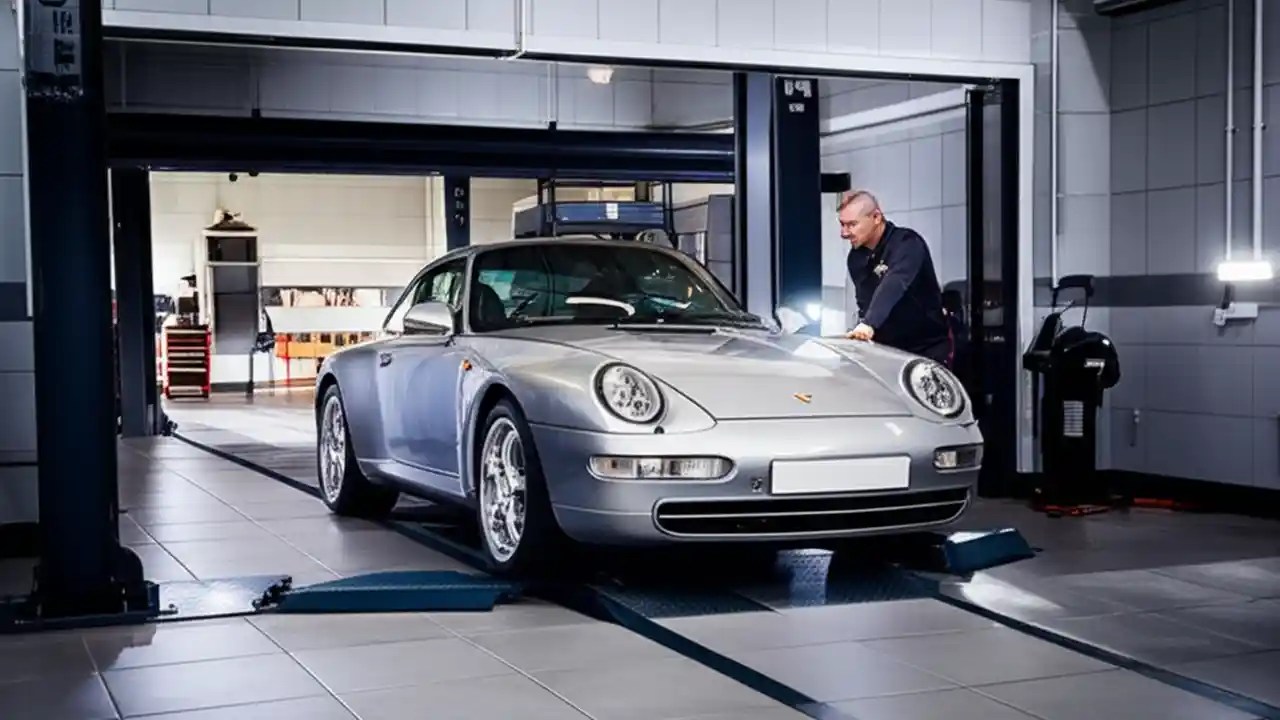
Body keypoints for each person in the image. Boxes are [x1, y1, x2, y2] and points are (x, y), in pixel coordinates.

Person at [839, 190, 950, 365]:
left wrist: (869, 324)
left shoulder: (907, 243)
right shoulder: (856, 258)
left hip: (926, 349)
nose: (844, 233)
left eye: (851, 224)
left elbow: (895, 282)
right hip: (887, 350)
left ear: (876, 217)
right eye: (842, 224)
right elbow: (865, 303)